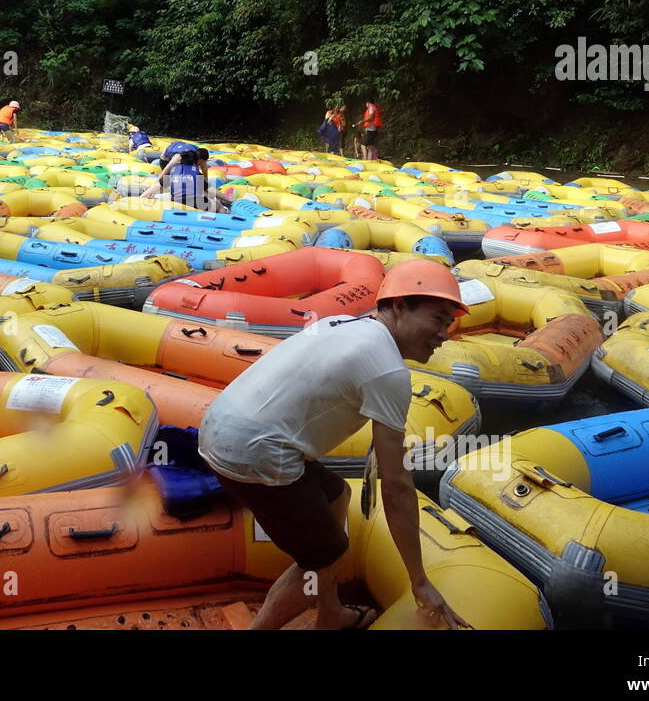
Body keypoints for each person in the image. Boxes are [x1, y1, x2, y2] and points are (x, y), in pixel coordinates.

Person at [198, 259, 472, 630]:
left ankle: (330, 614)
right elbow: (396, 487)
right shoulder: (388, 370)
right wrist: (419, 580)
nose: (444, 333)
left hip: (220, 427)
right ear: (400, 305)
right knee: (324, 559)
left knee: (336, 496)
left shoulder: (341, 323)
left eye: (449, 323)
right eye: (438, 318)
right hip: (256, 451)